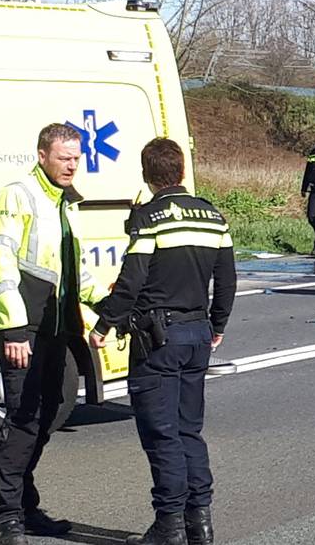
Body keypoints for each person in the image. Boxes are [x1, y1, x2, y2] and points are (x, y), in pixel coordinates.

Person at [89, 138, 236, 545]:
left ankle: (169, 526)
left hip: (158, 339)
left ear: (147, 175)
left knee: (162, 432)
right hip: (197, 334)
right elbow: (227, 280)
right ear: (182, 171)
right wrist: (218, 323)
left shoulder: (151, 218)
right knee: (190, 430)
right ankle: (200, 523)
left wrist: (104, 324)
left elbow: (132, 279)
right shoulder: (212, 215)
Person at [0, 123, 109, 545]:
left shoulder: (66, 203)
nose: (72, 164)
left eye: (77, 157)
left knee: (49, 411)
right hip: (26, 329)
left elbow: (73, 273)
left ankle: (24, 504)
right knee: (22, 420)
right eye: (64, 157)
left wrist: (106, 308)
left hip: (58, 329)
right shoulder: (17, 195)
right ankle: (6, 518)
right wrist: (15, 329)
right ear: (42, 156)